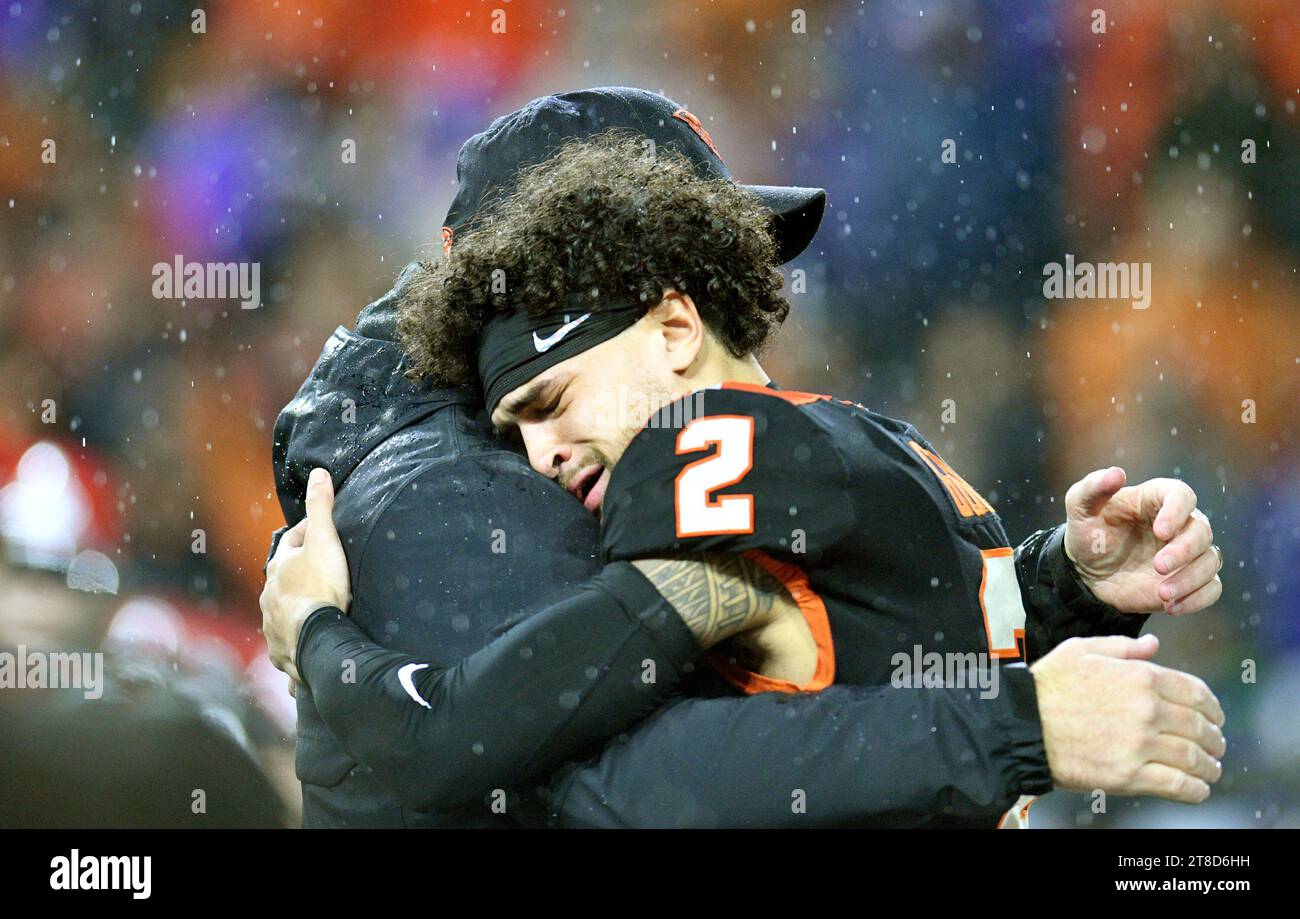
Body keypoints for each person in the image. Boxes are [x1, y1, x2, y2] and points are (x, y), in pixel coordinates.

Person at [261, 88, 1224, 828]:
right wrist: (1023, 720)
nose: (543, 452)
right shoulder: (468, 484)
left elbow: (888, 636)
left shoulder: (792, 445)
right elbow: (610, 785)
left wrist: (1059, 585)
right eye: (525, 411)